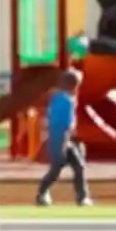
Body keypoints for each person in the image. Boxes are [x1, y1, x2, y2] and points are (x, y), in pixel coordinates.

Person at [35, 69, 93, 206]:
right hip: (61, 140)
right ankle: (42, 194)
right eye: (77, 84)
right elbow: (62, 124)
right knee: (56, 169)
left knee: (79, 166)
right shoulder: (66, 101)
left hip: (62, 140)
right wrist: (63, 142)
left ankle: (82, 197)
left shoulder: (58, 98)